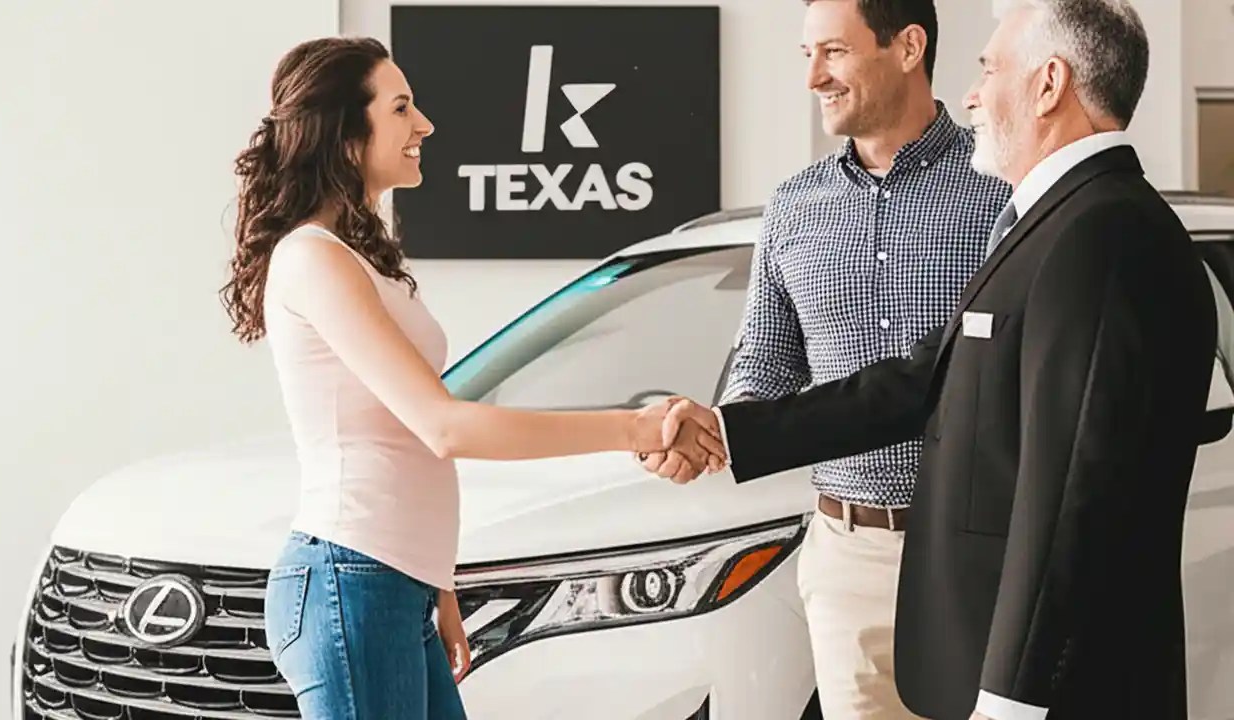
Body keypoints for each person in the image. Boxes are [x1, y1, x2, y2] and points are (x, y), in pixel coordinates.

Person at [651, 1, 1217, 718]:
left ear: (1047, 85)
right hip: (855, 555)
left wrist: (1013, 696)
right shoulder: (1054, 220)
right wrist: (728, 432)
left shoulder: (1079, 227)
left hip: (995, 588)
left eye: (989, 69)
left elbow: (1070, 487)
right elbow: (925, 378)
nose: (976, 92)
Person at [219, 37, 724, 720]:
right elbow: (443, 425)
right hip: (350, 583)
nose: (423, 125)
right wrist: (634, 426)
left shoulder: (355, 256)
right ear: (345, 138)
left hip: (393, 584)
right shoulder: (312, 259)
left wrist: (436, 581)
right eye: (401, 108)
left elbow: (401, 436)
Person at [642, 0, 1009, 716]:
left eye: (834, 52)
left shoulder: (999, 188)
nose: (814, 77)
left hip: (975, 548)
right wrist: (716, 431)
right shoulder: (792, 207)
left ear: (908, 46)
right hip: (847, 557)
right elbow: (767, 368)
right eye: (806, 55)